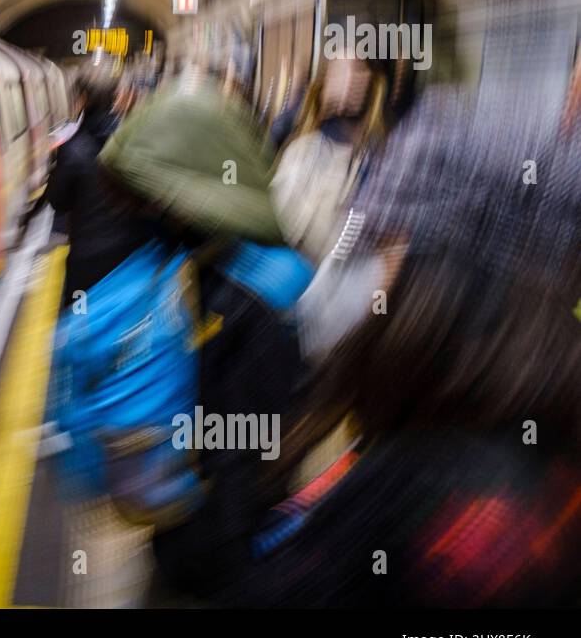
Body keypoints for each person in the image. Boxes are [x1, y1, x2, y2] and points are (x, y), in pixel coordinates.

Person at [238, 88, 581, 606]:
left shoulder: (419, 493)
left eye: (388, 248)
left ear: (449, 280)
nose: (377, 284)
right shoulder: (534, 445)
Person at [90, 80, 314, 600]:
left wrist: (217, 568)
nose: (153, 213)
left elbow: (245, 452)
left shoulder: (254, 295)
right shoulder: (215, 264)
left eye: (163, 201)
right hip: (194, 529)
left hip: (223, 550)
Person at [270, 46, 388, 264]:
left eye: (357, 70)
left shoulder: (375, 162)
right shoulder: (300, 149)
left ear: (371, 84)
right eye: (340, 71)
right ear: (324, 84)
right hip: (289, 272)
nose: (349, 80)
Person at [45, 70, 150, 306]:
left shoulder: (75, 148)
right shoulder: (134, 140)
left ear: (82, 98)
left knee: (80, 325)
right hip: (132, 258)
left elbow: (58, 201)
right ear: (115, 97)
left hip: (88, 262)